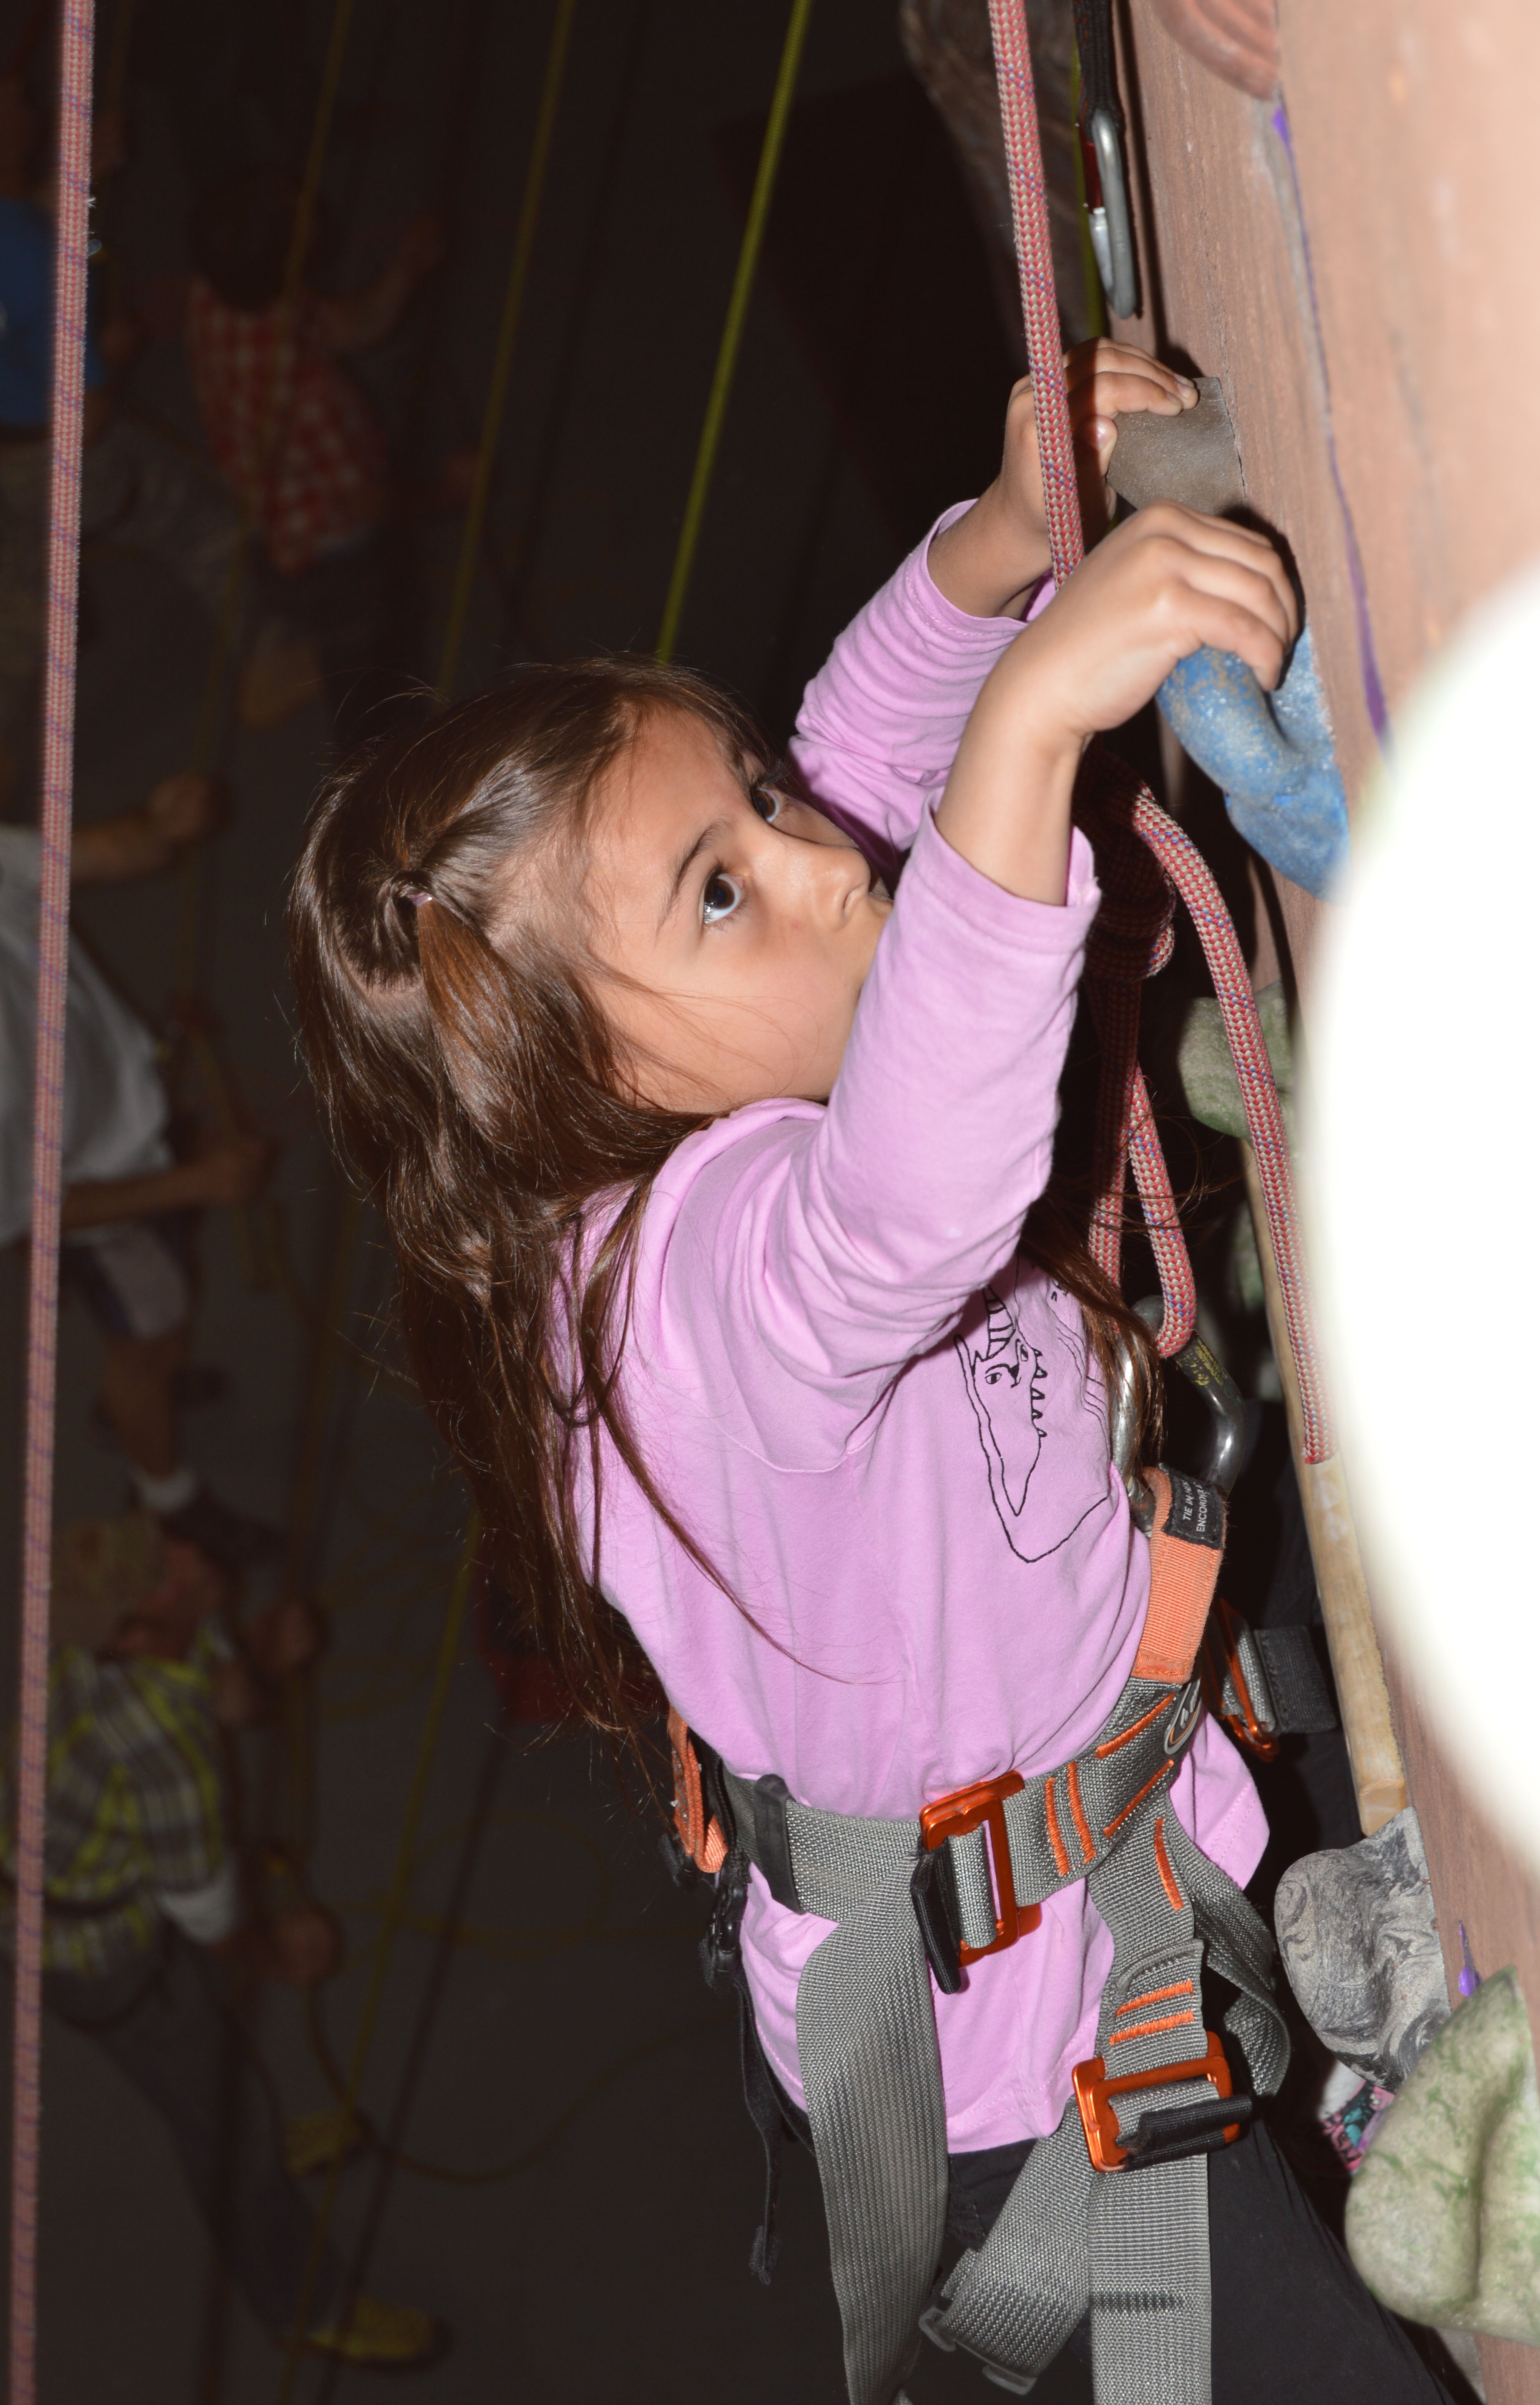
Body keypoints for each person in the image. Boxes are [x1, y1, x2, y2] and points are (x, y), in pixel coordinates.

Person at [285, 343, 1449, 2401]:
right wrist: (1033, 710)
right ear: (594, 1091)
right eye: (720, 891)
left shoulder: (676, 1099)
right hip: (1022, 2072)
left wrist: (995, 552)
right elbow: (908, 1191)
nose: (819, 857)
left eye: (741, 804)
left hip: (1136, 1742)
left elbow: (847, 760)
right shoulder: (674, 1299)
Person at [0, 1509, 442, 2369]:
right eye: (167, 1567)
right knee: (221, 2124)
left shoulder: (117, 1647)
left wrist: (263, 1663)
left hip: (74, 1883)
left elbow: (223, 1687)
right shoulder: (163, 1753)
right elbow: (210, 1920)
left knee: (212, 2065)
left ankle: (239, 2114)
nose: (188, 1550)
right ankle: (303, 2304)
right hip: (104, 1958)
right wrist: (284, 1952)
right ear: (138, 1624)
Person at [0, 769, 277, 1571]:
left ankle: (139, 1399)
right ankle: (169, 1496)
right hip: (105, 1196)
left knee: (168, 1307)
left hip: (132, 1118)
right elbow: (35, 1214)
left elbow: (109, 853)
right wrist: (200, 1185)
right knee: (148, 1339)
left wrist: (163, 823)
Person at [0, 74, 241, 789]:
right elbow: (91, 412)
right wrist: (121, 351)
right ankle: (271, 654)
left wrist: (83, 176)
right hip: (47, 454)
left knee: (22, 600)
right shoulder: (37, 261)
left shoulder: (18, 233)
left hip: (8, 450)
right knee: (205, 518)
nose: (32, 110)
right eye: (15, 103)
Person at [185, 166, 443, 742]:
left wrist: (403, 269)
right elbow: (369, 503)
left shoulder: (214, 297)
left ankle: (303, 656)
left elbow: (346, 324)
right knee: (374, 682)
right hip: (336, 556)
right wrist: (451, 492)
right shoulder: (310, 403)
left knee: (343, 634)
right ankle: (380, 784)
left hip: (271, 521)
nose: (313, 207)